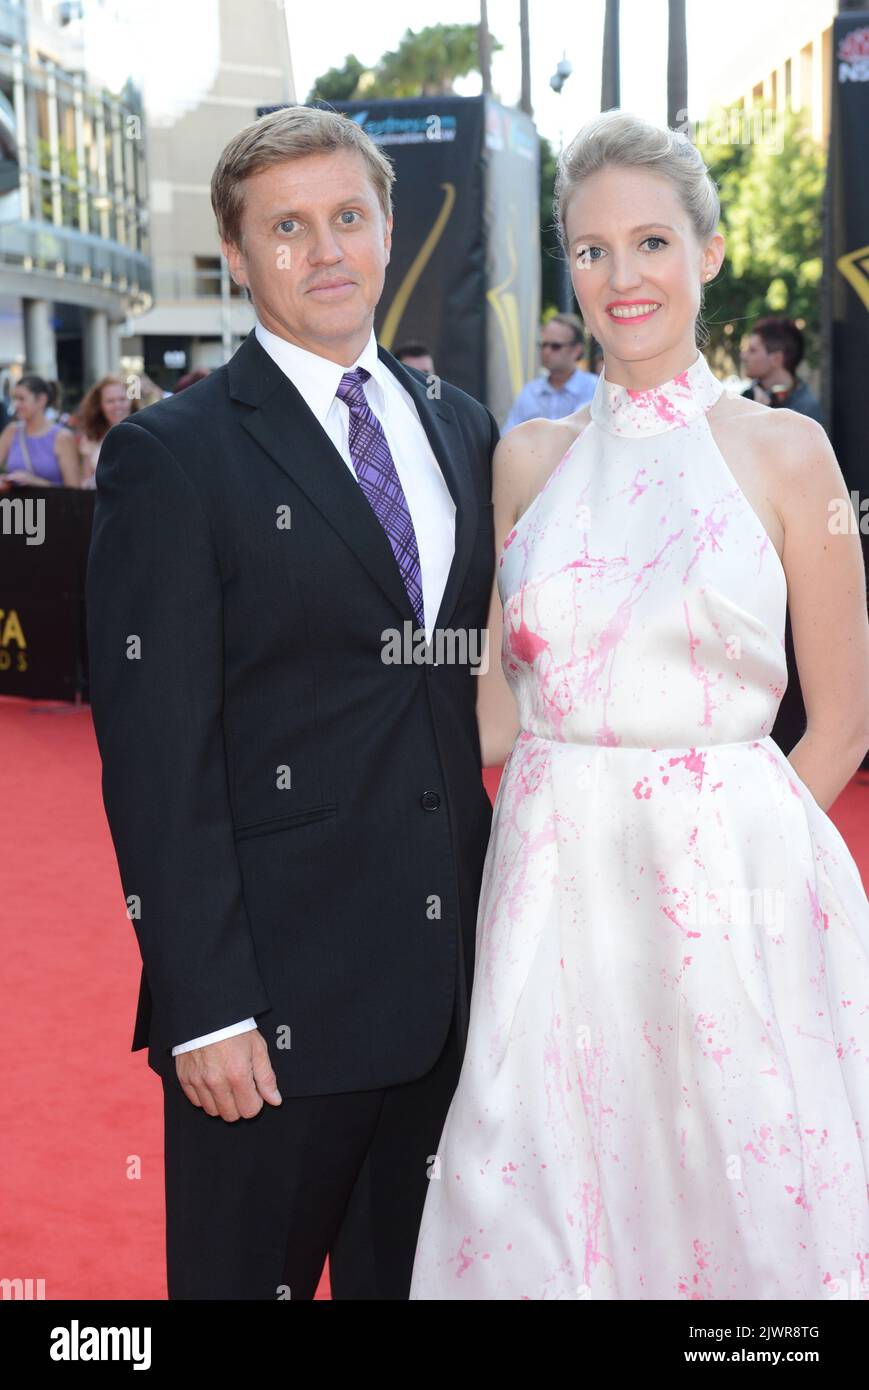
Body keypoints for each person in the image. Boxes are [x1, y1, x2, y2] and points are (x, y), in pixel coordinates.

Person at [410, 109, 869, 1300]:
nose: (622, 277)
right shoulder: (529, 462)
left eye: (651, 242)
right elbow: (498, 713)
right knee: (538, 1191)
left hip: (731, 903)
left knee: (734, 1194)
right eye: (592, 249)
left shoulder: (786, 455)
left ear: (708, 253)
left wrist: (742, 874)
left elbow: (842, 724)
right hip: (550, 896)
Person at [86, 103, 498, 1300]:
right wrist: (203, 1003)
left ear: (385, 227)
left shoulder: (457, 426)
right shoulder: (177, 454)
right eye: (287, 227)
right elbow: (156, 755)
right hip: (269, 1008)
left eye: (348, 217)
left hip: (448, 990)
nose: (325, 251)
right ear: (237, 254)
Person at [502, 312, 596, 432]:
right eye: (543, 344)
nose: (546, 351)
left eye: (555, 346)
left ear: (576, 350)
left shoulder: (595, 389)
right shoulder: (530, 392)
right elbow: (508, 436)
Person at [741, 316, 824, 426]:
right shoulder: (747, 398)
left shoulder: (806, 410)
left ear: (777, 358)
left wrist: (761, 418)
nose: (743, 356)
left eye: (752, 350)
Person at [0, 374, 80, 488]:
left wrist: (37, 483)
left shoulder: (62, 437)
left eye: (22, 399)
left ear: (41, 400)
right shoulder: (11, 431)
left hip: (52, 504)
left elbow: (75, 490)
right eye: (15, 399)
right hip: (18, 505)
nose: (16, 404)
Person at [75, 375, 137, 489]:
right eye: (110, 401)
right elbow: (85, 481)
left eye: (122, 399)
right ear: (100, 405)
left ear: (132, 401)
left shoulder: (146, 432)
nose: (117, 405)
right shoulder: (91, 437)